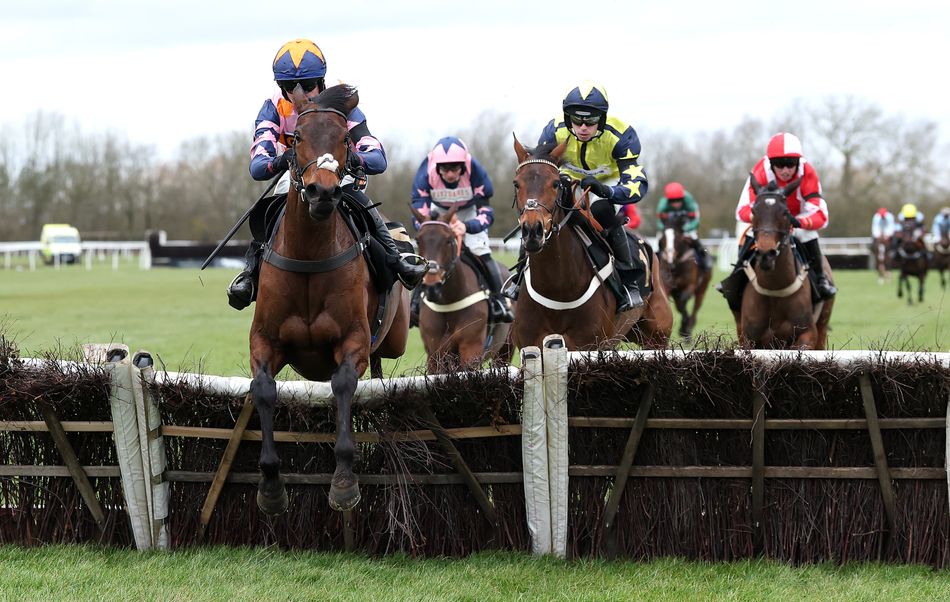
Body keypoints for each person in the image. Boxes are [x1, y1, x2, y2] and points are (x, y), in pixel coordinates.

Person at [226, 38, 425, 310]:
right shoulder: (273, 107)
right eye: (289, 88)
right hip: (299, 174)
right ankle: (250, 273)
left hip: (339, 171)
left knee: (359, 201)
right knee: (267, 205)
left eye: (308, 85)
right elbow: (258, 166)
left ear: (321, 81)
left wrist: (352, 158)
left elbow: (377, 158)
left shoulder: (343, 102)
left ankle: (394, 260)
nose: (301, 95)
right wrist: (285, 158)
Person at [505, 82, 650, 311]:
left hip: (607, 182)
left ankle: (629, 281)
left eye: (590, 121)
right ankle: (520, 276)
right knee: (539, 212)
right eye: (577, 120)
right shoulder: (554, 129)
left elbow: (637, 185)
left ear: (601, 120)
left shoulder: (622, 135)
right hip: (567, 178)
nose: (582, 127)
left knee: (602, 210)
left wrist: (608, 192)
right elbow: (541, 169)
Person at [721, 132, 837, 305]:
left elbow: (821, 215)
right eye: (779, 164)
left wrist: (800, 222)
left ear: (799, 162)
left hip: (797, 218)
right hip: (766, 221)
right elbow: (742, 210)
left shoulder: (808, 173)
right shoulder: (760, 171)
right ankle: (736, 279)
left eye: (790, 164)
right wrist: (759, 219)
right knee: (752, 235)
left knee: (808, 235)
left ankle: (821, 280)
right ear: (770, 163)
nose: (785, 170)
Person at [409, 136, 514, 325]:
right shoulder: (424, 174)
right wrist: (431, 227)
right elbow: (419, 212)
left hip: (468, 212)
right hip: (437, 214)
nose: (450, 174)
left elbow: (487, 213)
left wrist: (468, 226)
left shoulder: (476, 172)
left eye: (455, 167)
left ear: (464, 165)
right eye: (445, 168)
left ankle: (500, 302)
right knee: (429, 255)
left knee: (482, 251)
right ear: (436, 167)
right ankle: (414, 304)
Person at [655, 182, 712, 270]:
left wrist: (687, 228)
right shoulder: (662, 205)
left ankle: (704, 259)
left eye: (679, 200)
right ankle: (655, 262)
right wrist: (665, 229)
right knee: (659, 239)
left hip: (686, 225)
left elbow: (696, 220)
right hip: (670, 227)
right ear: (668, 200)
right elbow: (659, 222)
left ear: (683, 198)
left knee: (694, 236)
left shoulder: (689, 201)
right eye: (672, 201)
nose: (676, 203)